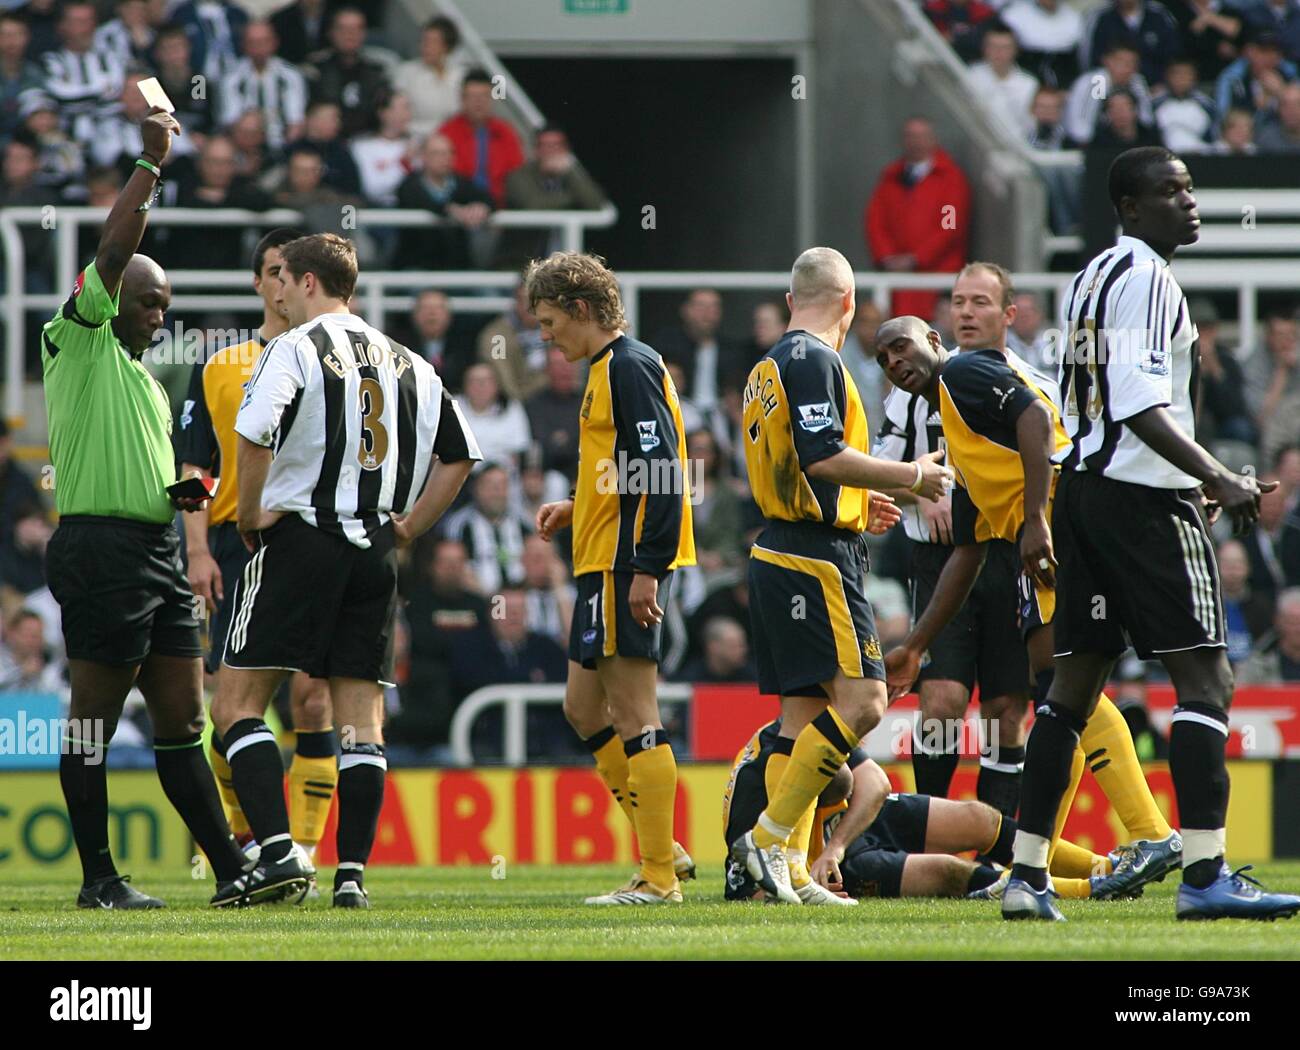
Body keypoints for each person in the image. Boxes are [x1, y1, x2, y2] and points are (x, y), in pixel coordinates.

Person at [1027, 145, 1300, 920]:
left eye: (1190, 188)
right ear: (1133, 208)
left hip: (1082, 495)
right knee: (1207, 681)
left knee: (1071, 691)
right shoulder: (1147, 276)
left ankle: (1024, 876)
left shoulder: (1088, 276)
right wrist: (1215, 476)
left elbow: (1094, 404)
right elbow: (1137, 403)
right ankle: (1207, 874)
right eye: (1173, 191)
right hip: (1141, 502)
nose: (1191, 201)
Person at [876, 266, 1183, 912]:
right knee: (1060, 692)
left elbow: (1037, 422)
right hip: (1067, 525)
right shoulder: (959, 416)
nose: (897, 361)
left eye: (905, 346)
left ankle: (1150, 834)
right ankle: (1031, 860)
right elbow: (966, 548)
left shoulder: (965, 373)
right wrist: (915, 645)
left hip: (1063, 526)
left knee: (1061, 690)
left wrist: (1039, 521)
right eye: (884, 356)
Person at [209, 233, 481, 908]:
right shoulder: (410, 361)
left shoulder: (294, 348)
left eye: (284, 281)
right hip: (375, 552)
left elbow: (253, 431)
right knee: (360, 719)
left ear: (306, 282)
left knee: (236, 705)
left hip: (302, 538)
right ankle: (351, 876)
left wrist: (249, 514)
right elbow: (460, 455)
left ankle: (275, 854)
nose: (278, 293)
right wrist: (410, 528)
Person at [40, 104, 251, 909]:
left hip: (156, 550)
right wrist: (152, 163)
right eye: (149, 301)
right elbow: (113, 244)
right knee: (92, 713)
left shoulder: (149, 386)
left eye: (166, 305)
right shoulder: (77, 339)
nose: (158, 316)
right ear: (107, 295)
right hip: (98, 549)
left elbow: (156, 477)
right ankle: (99, 879)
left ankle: (232, 874)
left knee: (181, 714)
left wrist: (196, 503)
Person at [727, 246, 950, 907]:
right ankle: (768, 839)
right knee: (865, 703)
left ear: (793, 297)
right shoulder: (814, 359)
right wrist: (913, 477)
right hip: (813, 558)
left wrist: (859, 504)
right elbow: (824, 456)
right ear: (849, 303)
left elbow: (804, 465)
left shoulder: (769, 364)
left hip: (782, 547)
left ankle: (790, 868)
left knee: (803, 721)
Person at [530, 250, 698, 905]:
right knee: (582, 708)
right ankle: (667, 850)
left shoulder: (629, 365)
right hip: (602, 558)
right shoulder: (607, 368)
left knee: (635, 713)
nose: (544, 336)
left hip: (624, 566)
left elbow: (663, 471)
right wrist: (581, 505)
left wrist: (647, 568)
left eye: (549, 321)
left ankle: (658, 875)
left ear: (581, 309)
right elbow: (628, 468)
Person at [175, 227, 339, 864]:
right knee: (232, 701)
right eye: (269, 270)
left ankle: (303, 847)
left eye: (286, 271)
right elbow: (195, 467)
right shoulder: (222, 365)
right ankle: (247, 835)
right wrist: (197, 550)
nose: (278, 283)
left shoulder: (331, 361)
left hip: (316, 537)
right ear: (257, 282)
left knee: (314, 695)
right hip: (235, 542)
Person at [873, 269, 1049, 823]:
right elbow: (879, 470)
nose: (967, 312)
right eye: (958, 302)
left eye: (980, 302)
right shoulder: (912, 399)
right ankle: (942, 833)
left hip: (1017, 550)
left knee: (1009, 709)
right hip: (945, 557)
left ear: (1008, 314)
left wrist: (1037, 519)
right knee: (944, 705)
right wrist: (918, 489)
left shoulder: (1017, 379)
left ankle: (1003, 848)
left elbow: (1042, 427)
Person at [724, 719, 1116, 903]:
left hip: (845, 831)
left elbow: (875, 783)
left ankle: (1106, 868)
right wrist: (804, 882)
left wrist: (836, 845)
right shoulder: (757, 784)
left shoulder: (813, 727)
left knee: (979, 820)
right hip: (830, 870)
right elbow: (748, 890)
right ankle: (1086, 890)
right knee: (946, 871)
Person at [864, 117, 971, 320]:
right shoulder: (890, 177)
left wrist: (916, 259)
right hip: (895, 278)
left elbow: (950, 227)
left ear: (933, 139)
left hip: (936, 278)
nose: (916, 142)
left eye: (922, 136)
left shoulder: (950, 178)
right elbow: (875, 220)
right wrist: (887, 257)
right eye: (911, 136)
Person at [394, 131, 494, 271]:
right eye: (437, 153)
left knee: (487, 291)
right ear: (423, 157)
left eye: (450, 153)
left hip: (458, 266)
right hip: (417, 264)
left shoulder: (461, 182)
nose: (445, 158)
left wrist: (482, 206)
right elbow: (417, 202)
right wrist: (450, 210)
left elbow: (488, 198)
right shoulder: (409, 185)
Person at [437, 67, 524, 208]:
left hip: (500, 208)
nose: (478, 102)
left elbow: (517, 174)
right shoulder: (447, 132)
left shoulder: (506, 132)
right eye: (472, 96)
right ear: (462, 99)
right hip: (459, 207)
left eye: (484, 96)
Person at [219, 21, 307, 152]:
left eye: (264, 41)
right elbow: (231, 121)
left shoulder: (290, 76)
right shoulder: (231, 78)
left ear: (275, 42)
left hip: (282, 143)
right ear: (244, 45)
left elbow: (295, 121)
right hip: (243, 145)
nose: (259, 47)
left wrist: (285, 149)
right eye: (252, 42)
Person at [304, 7, 390, 138]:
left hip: (369, 141)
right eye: (343, 29)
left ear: (364, 33)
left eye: (356, 29)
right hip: (326, 142)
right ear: (331, 32)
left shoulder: (377, 71)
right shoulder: (315, 70)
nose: (350, 34)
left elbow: (383, 110)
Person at [1065, 38, 1155, 145]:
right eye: (1121, 61)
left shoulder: (1137, 81)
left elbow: (1146, 119)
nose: (1127, 68)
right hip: (1092, 145)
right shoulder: (1098, 81)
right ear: (1106, 61)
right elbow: (1081, 129)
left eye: (1132, 63)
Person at [392, 15, 465, 141]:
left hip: (455, 140)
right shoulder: (406, 73)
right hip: (415, 139)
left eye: (432, 42)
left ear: (447, 46)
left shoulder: (462, 75)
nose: (425, 47)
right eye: (423, 41)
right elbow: (397, 115)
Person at [1083, 0, 1182, 85]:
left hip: (1157, 88)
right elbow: (1091, 58)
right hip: (1105, 83)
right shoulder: (1101, 17)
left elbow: (1173, 56)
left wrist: (1164, 85)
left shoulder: (1159, 15)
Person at [967, 23, 1039, 139]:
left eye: (1005, 47)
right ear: (985, 48)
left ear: (1015, 50)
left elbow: (1030, 125)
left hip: (1017, 147)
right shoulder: (970, 77)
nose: (999, 52)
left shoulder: (1029, 84)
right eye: (993, 46)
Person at [1153, 57, 1217, 153]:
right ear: (1168, 76)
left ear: (1195, 78)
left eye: (1187, 74)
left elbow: (1213, 136)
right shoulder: (1155, 104)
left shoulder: (1207, 105)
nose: (1182, 79)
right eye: (1177, 74)